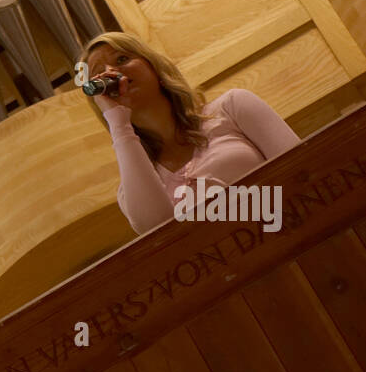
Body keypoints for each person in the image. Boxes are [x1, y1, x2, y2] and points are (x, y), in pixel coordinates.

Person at [81, 31, 301, 236]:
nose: (112, 74)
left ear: (153, 67)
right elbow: (159, 232)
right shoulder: (132, 187)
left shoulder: (233, 107)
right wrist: (119, 124)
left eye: (121, 59)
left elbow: (303, 167)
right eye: (99, 75)